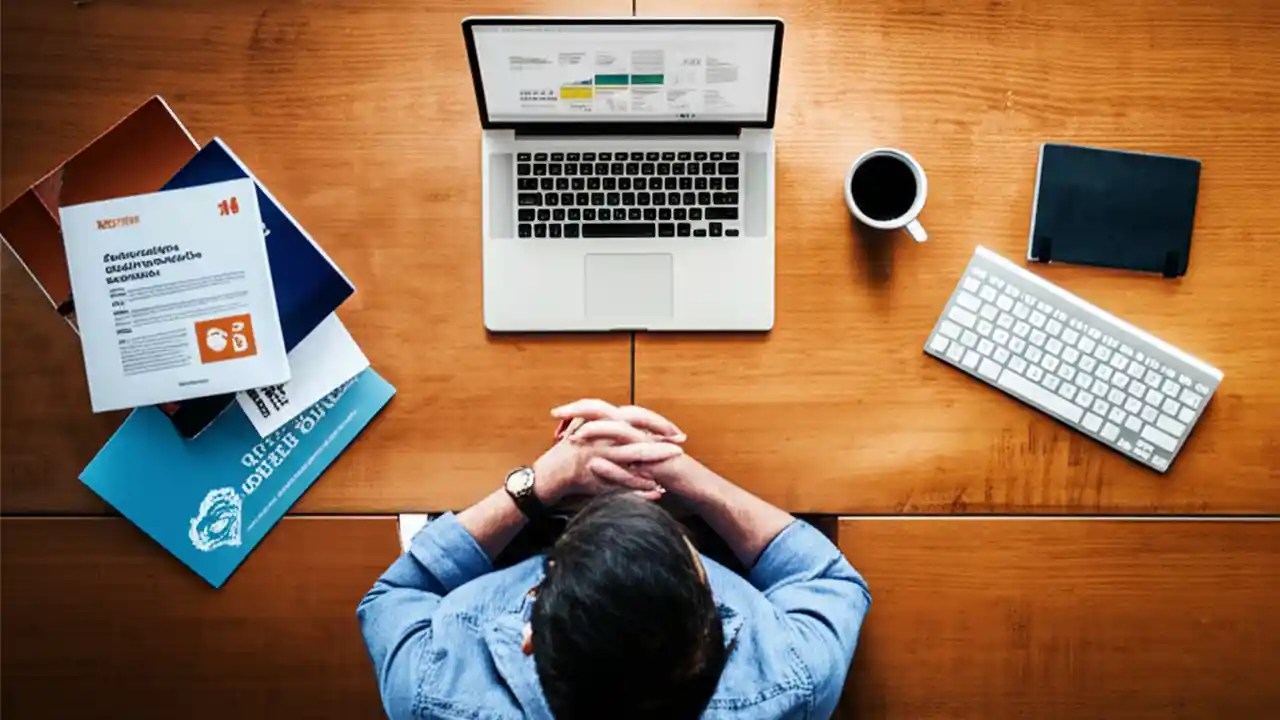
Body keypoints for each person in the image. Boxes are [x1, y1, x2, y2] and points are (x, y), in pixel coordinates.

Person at [357, 399, 871, 720]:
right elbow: (824, 577)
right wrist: (680, 474)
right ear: (713, 610)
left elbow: (398, 594)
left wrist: (541, 485)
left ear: (531, 636)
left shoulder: (431, 691)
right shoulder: (792, 682)